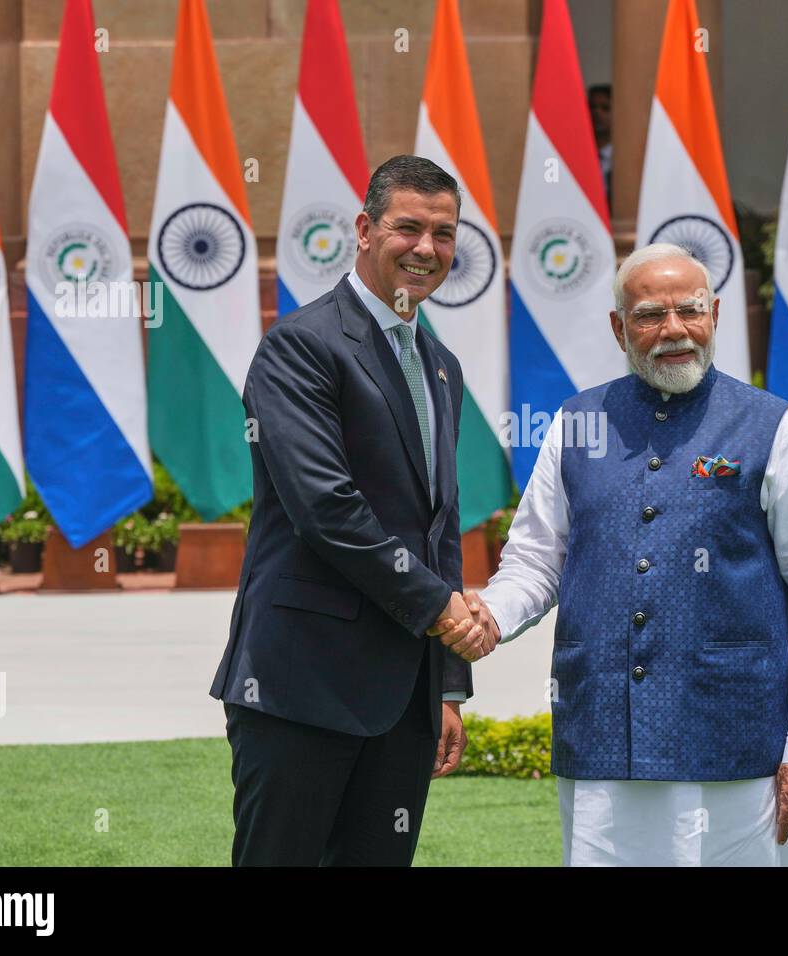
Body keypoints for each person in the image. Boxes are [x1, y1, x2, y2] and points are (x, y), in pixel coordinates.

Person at [466, 243, 788, 866]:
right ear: (619, 327)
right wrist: (489, 616)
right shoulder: (575, 424)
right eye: (650, 315)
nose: (673, 330)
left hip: (738, 741)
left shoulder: (773, 426)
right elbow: (537, 562)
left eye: (690, 311)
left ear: (715, 315)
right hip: (602, 737)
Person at [210, 155, 497, 867]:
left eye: (444, 233)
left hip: (405, 699)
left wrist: (448, 683)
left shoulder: (440, 365)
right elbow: (326, 508)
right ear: (365, 230)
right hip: (300, 685)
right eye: (408, 228)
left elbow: (440, 525)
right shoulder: (300, 347)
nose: (426, 249)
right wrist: (441, 610)